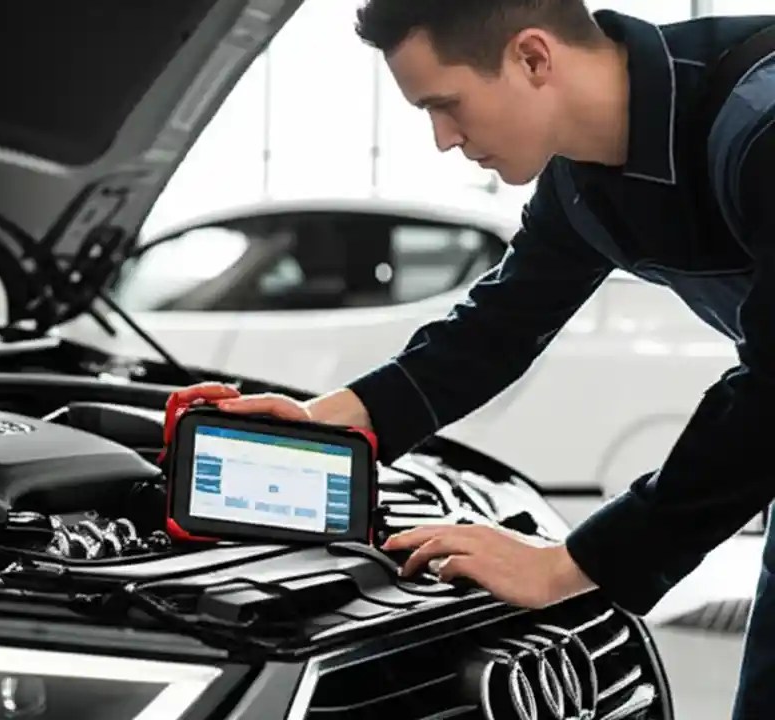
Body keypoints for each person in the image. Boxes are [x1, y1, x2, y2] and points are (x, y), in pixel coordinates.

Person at [177, 1, 775, 716]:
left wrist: (570, 566)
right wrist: (335, 422)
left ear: (532, 58)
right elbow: (497, 328)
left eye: (446, 104)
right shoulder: (579, 184)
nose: (442, 139)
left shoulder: (760, 119)